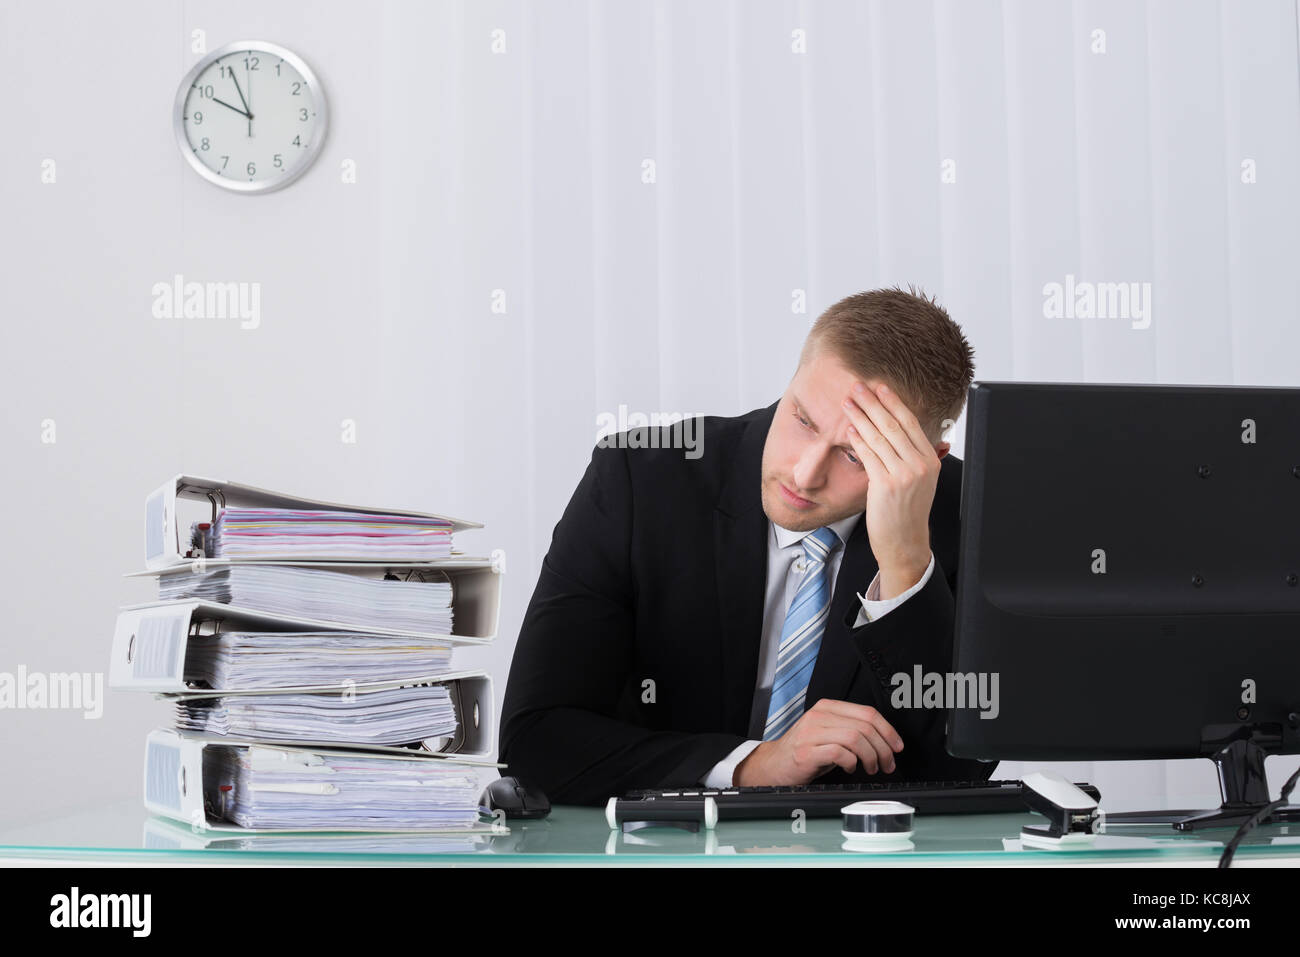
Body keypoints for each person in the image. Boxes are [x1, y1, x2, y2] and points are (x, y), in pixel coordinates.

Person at [499, 285, 996, 805]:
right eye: (802, 419)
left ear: (928, 461)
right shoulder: (637, 481)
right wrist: (754, 765)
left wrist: (905, 564)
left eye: (856, 456)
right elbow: (535, 739)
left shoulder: (973, 518)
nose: (805, 475)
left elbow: (958, 768)